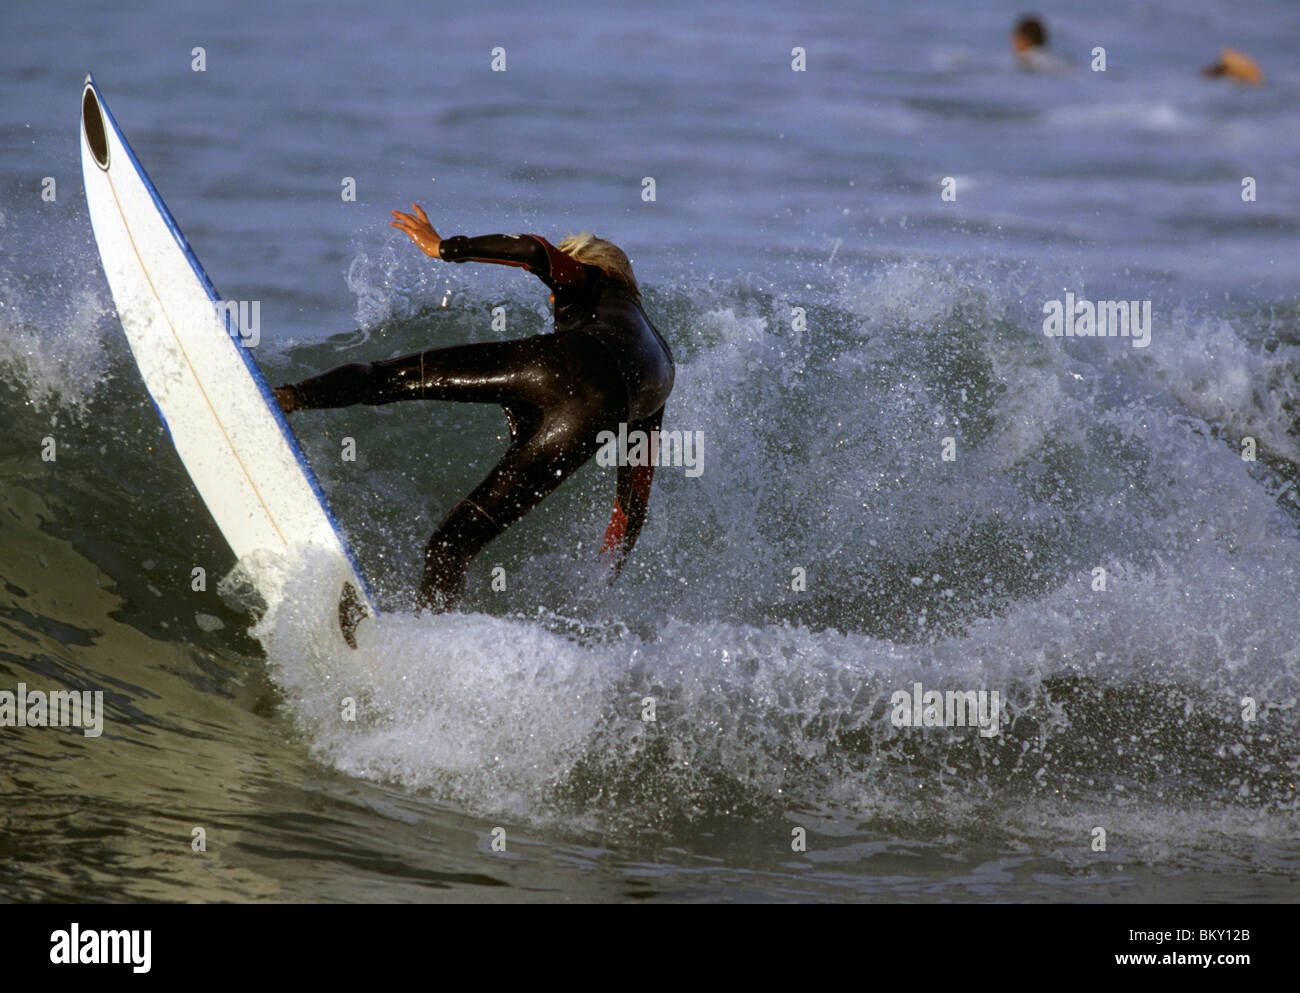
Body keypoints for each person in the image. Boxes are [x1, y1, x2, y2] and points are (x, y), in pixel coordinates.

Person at [273, 204, 675, 611]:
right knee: (451, 545)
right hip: (593, 417)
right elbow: (633, 499)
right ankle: (429, 637)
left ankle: (287, 398)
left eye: (554, 293)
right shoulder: (658, 363)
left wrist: (443, 247)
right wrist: (605, 573)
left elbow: (536, 251)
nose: (554, 299)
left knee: (385, 378)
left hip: (566, 364)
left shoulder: (591, 280)